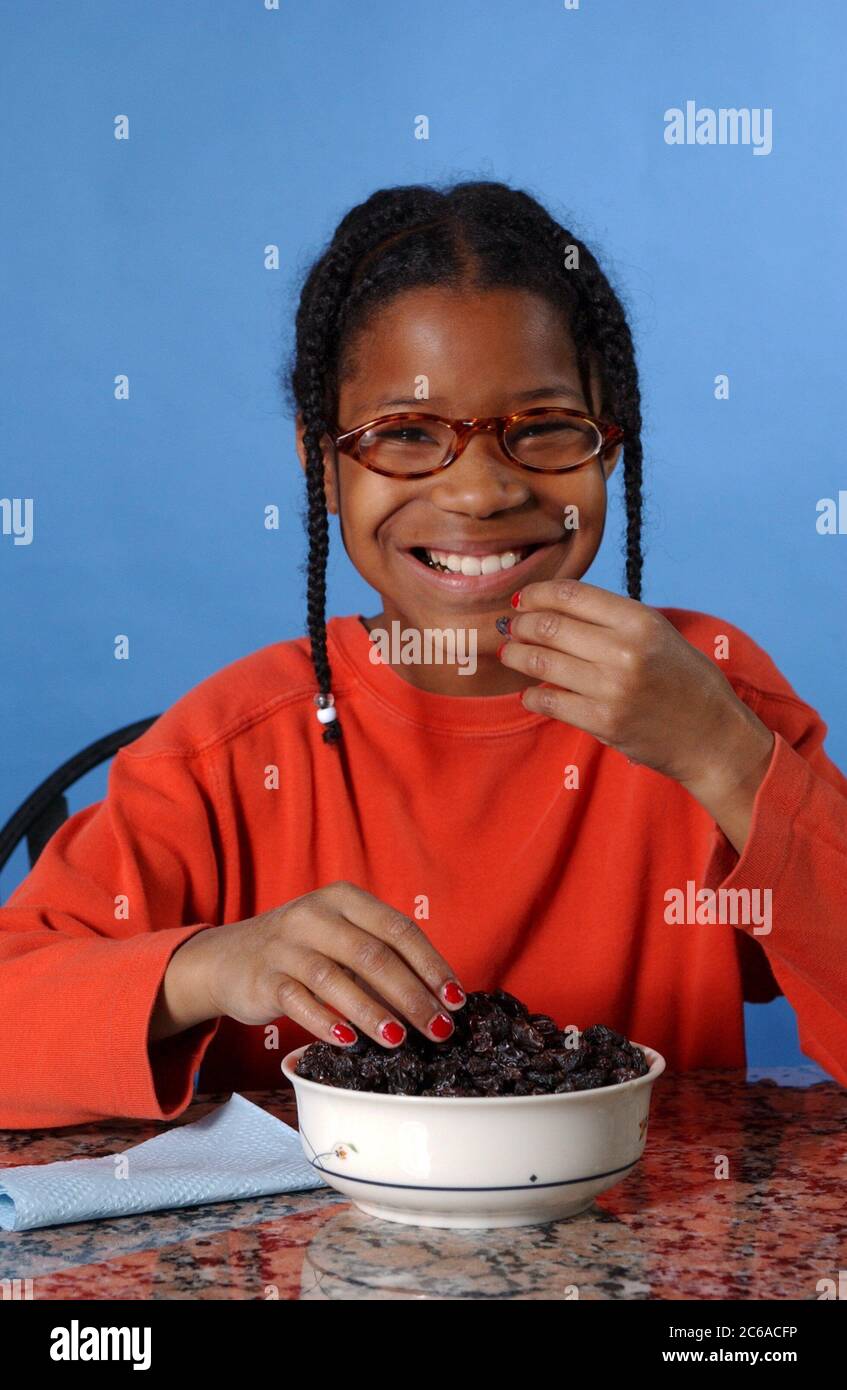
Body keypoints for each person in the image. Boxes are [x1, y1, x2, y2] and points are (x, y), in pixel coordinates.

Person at [2, 180, 846, 1129]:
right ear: (322, 463)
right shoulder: (230, 751)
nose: (481, 491)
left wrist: (724, 759)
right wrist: (212, 964)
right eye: (404, 435)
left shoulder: (706, 697)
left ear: (610, 445)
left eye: (542, 428)